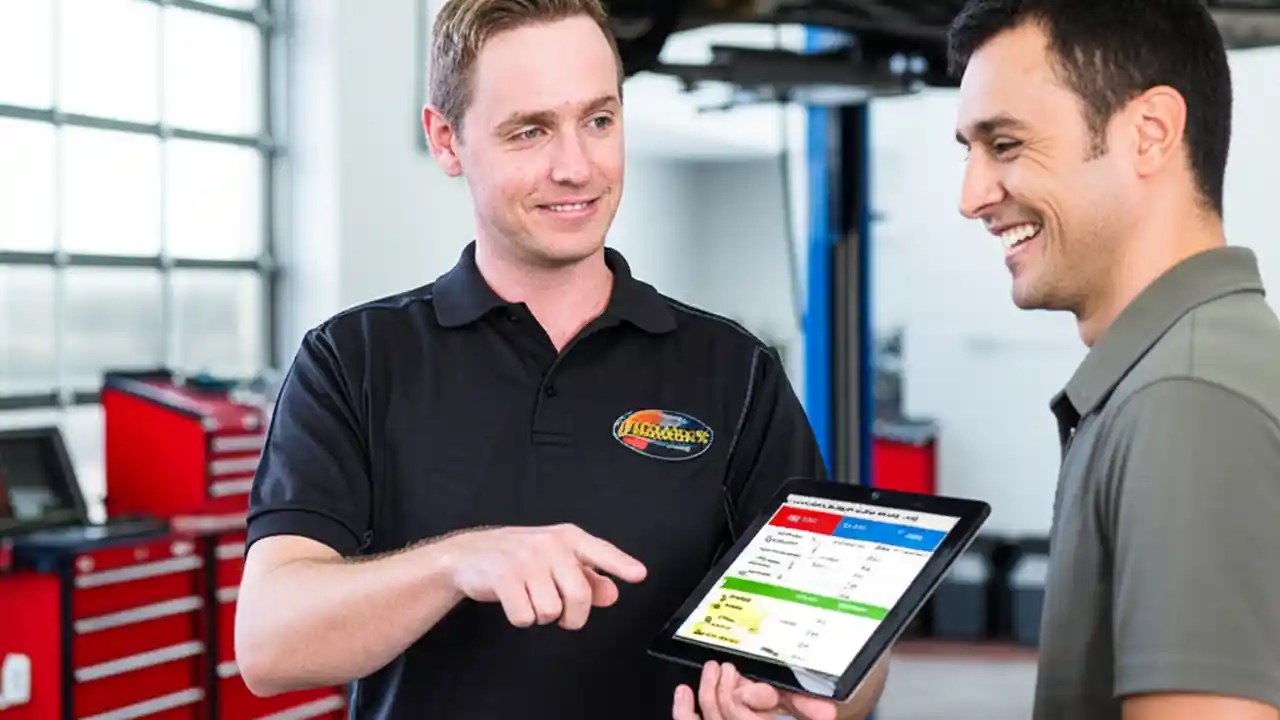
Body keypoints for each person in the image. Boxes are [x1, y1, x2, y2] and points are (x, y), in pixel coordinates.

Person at [233, 0, 889, 717]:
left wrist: (784, 700)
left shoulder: (733, 371)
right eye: (531, 130)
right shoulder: (354, 361)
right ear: (447, 141)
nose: (576, 166)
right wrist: (457, 562)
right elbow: (270, 644)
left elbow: (849, 664)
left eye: (599, 121)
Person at [949, 1, 1280, 718]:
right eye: (967, 152)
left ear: (1150, 134)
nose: (971, 196)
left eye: (1004, 145)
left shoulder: (1189, 401)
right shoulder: (1172, 375)